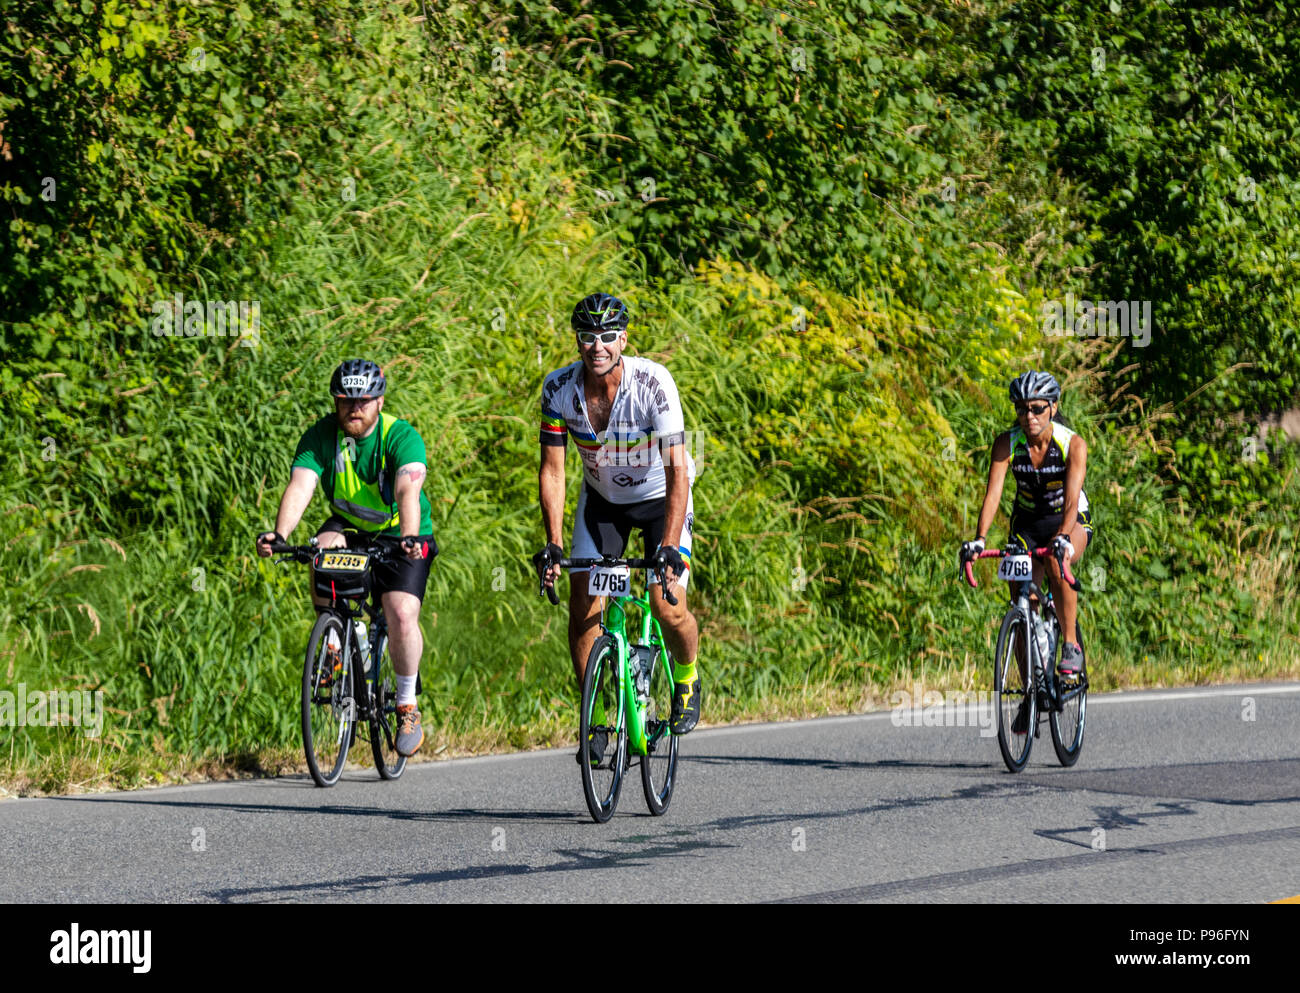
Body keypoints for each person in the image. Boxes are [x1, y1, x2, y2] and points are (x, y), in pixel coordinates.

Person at [533, 293, 701, 765]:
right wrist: (553, 543)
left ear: (623, 339)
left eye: (608, 337)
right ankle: (599, 717)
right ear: (578, 342)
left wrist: (669, 546)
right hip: (603, 502)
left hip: (658, 500)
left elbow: (677, 473)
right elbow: (552, 471)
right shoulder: (558, 390)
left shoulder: (654, 384)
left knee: (665, 606)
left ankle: (686, 676)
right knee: (584, 605)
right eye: (588, 337)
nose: (598, 346)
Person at [255, 359, 435, 756]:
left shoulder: (400, 436)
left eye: (364, 401)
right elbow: (301, 485)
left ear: (380, 400)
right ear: (335, 402)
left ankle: (407, 704)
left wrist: (407, 537)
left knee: (400, 611)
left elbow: (408, 490)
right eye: (345, 401)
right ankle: (338, 638)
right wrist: (281, 534)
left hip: (402, 532)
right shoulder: (321, 435)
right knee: (319, 550)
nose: (355, 408)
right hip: (348, 525)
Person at [960, 371, 1093, 726]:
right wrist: (979, 539)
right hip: (1027, 524)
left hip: (1068, 519)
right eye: (1021, 410)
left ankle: (1069, 645)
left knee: (1056, 561)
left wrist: (1063, 537)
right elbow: (994, 495)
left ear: (1052, 407)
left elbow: (1071, 500)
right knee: (1020, 598)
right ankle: (1031, 688)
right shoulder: (1008, 443)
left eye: (1036, 408)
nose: (1029, 417)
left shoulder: (1072, 444)